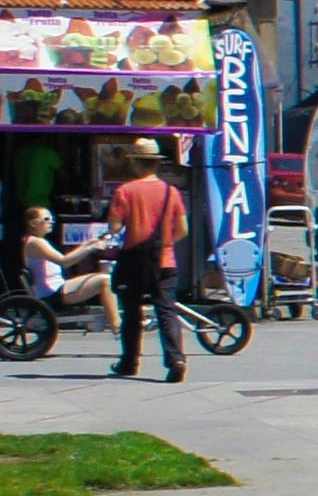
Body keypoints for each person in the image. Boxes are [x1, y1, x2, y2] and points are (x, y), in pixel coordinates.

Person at [106, 137, 192, 381]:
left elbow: (114, 227)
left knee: (132, 314)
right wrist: (164, 244)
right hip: (165, 261)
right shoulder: (170, 192)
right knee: (166, 310)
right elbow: (183, 229)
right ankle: (176, 358)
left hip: (134, 261)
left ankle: (129, 362)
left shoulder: (126, 191)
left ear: (135, 164)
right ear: (155, 164)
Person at [18, 204, 112, 321]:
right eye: (46, 219)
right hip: (53, 294)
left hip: (55, 289)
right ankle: (116, 323)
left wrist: (88, 244)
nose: (51, 222)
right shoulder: (36, 243)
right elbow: (65, 262)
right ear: (33, 223)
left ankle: (114, 321)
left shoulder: (35, 241)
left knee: (104, 279)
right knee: (105, 280)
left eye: (52, 219)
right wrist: (90, 248)